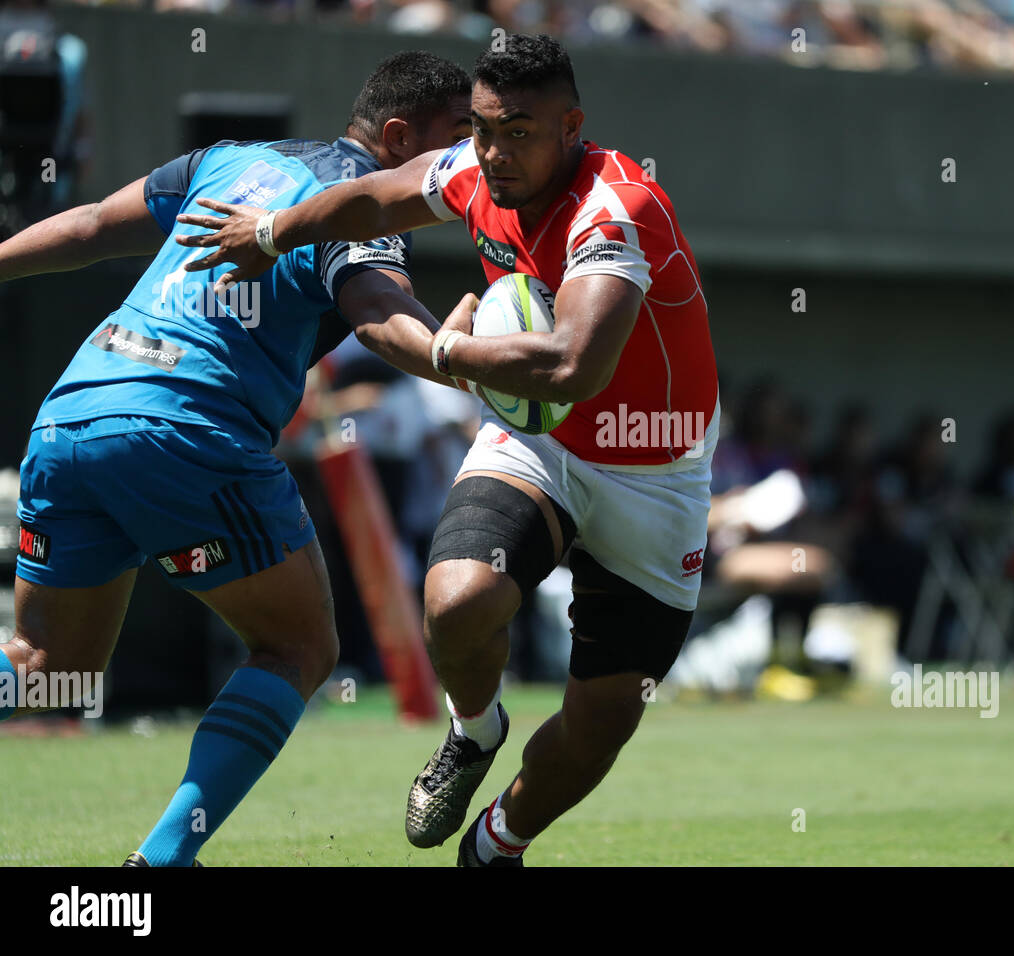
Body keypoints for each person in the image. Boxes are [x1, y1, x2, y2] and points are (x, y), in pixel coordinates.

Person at [177, 33, 720, 866]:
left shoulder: (619, 207)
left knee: (603, 721)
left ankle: (499, 842)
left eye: (521, 132)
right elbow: (375, 196)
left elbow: (573, 366)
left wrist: (444, 354)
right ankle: (473, 733)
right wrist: (276, 228)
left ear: (572, 126)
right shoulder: (472, 168)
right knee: (456, 603)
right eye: (483, 128)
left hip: (655, 472)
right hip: (541, 444)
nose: (496, 154)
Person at [0, 51, 475, 865]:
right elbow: (376, 314)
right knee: (301, 647)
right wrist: (455, 355)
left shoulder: (227, 160)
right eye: (459, 141)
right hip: (187, 429)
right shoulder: (355, 209)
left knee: (49, 674)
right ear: (400, 138)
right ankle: (157, 868)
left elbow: (83, 230)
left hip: (73, 411)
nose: (475, 164)